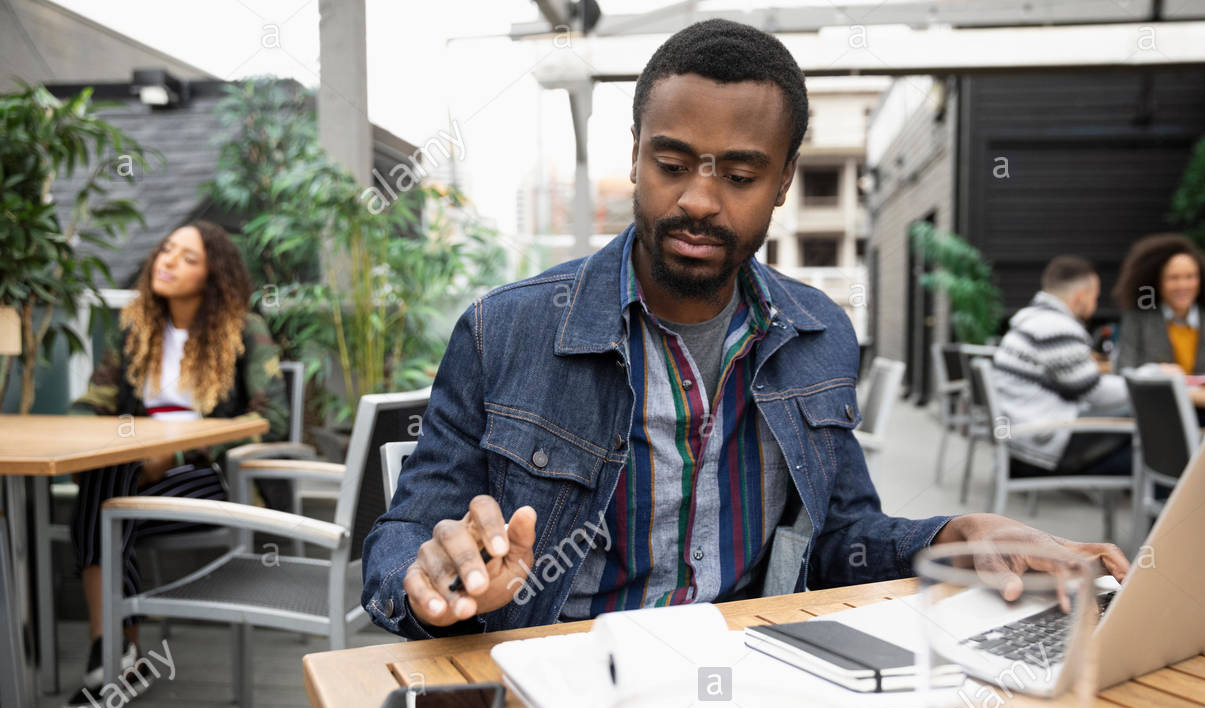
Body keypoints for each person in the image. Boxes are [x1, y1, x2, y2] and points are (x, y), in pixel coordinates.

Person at [361, 19, 1129, 641]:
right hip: (563, 683)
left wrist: (953, 533)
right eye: (672, 163)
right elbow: (398, 540)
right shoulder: (505, 330)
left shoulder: (817, 332)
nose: (699, 199)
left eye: (738, 175)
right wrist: (430, 578)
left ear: (784, 180)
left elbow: (841, 538)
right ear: (634, 158)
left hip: (758, 675)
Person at [64, 221, 288, 708]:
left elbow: (270, 421)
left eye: (188, 257)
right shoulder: (135, 327)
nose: (168, 262)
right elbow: (95, 401)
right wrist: (79, 434)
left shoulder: (242, 330)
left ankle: (114, 653)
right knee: (107, 494)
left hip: (212, 479)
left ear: (215, 275)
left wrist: (181, 452)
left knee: (101, 501)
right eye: (166, 250)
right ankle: (117, 654)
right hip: (134, 475)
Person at [992, 256, 1132, 476]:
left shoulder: (1032, 320)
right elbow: (1096, 392)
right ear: (1080, 297)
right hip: (1040, 449)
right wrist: (1148, 380)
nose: (1095, 305)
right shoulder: (1056, 327)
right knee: (1147, 414)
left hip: (1022, 443)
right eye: (1095, 297)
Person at [1113, 233, 1205, 378]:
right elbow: (1123, 372)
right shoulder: (1138, 321)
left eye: (1190, 276)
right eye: (1173, 277)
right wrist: (1156, 372)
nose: (1183, 285)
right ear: (1157, 281)